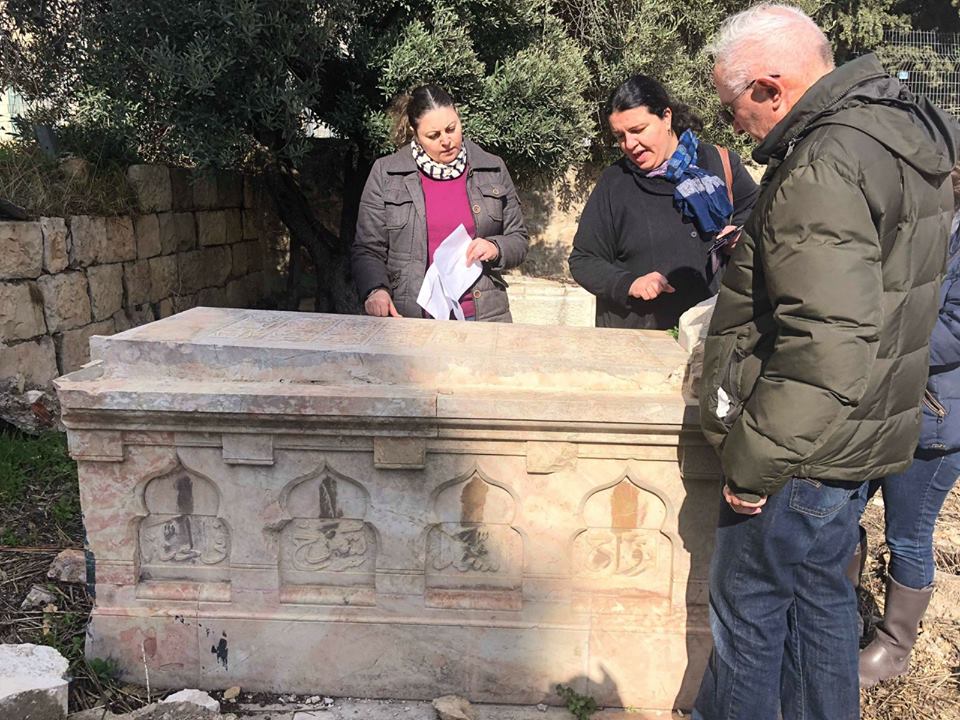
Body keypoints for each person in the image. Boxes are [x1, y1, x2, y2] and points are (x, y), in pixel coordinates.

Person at [693, 4, 956, 720]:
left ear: (771, 87)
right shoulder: (898, 128)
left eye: (733, 107)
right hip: (860, 436)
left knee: (748, 615)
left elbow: (828, 339)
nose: (735, 127)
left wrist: (754, 463)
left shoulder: (825, 160)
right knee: (821, 610)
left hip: (802, 450)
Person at [856, 180, 960, 687]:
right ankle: (837, 615)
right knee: (842, 509)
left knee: (908, 533)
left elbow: (955, 331)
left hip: (936, 416)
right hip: (886, 403)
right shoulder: (926, 228)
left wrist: (878, 340)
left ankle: (894, 649)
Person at [568, 74, 758, 330]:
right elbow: (584, 260)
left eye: (637, 130)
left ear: (666, 117)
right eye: (620, 136)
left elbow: (758, 213)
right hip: (639, 341)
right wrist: (629, 284)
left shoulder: (719, 163)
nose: (630, 144)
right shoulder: (615, 183)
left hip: (709, 333)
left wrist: (740, 236)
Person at [352, 83, 528, 322]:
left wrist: (495, 248)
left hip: (485, 317)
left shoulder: (493, 168)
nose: (446, 140)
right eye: (433, 136)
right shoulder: (386, 173)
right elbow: (367, 248)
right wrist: (376, 290)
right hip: (413, 318)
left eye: (451, 129)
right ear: (415, 133)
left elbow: (518, 238)